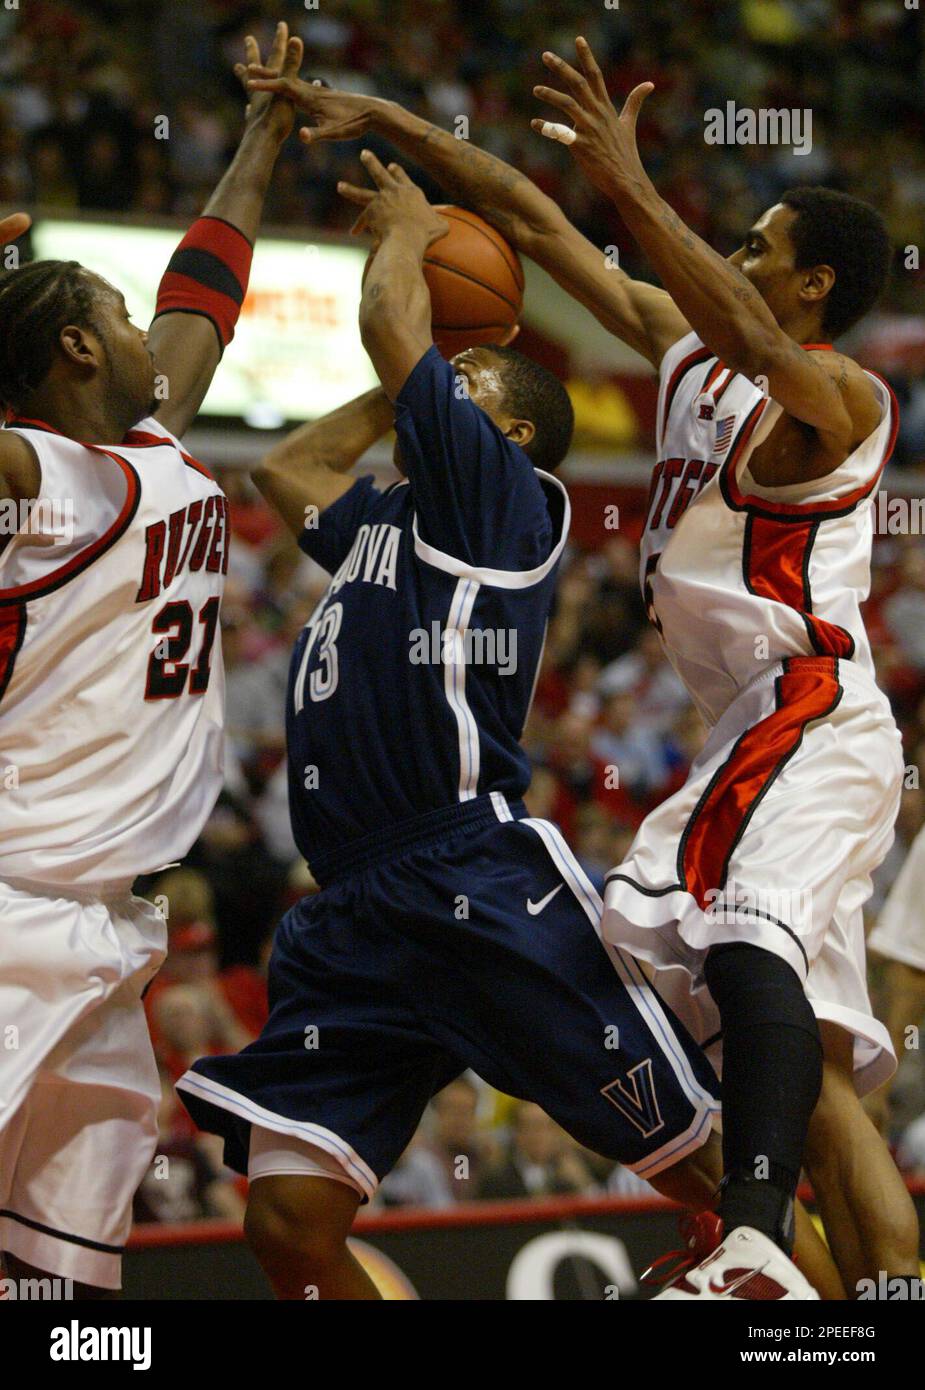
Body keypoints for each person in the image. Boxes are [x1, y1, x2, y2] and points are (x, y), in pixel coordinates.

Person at [244, 33, 919, 1299]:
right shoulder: (684, 350)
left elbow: (748, 335)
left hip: (809, 703)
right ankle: (875, 1301)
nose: (736, 255)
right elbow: (530, 219)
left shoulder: (840, 396)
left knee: (737, 942)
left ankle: (755, 1241)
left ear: (813, 283)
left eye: (759, 245)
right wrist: (388, 114)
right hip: (742, 729)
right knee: (809, 1058)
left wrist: (633, 179)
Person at [176, 147, 736, 1301]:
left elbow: (394, 326)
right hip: (352, 908)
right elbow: (288, 467)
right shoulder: (395, 519)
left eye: (468, 381)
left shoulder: (498, 497)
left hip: (467, 872)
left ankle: (841, 1297)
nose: (447, 383)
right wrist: (408, 383)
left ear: (512, 436)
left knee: (709, 1165)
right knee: (287, 1220)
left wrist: (402, 230)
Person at [0, 22, 302, 1296]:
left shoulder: (153, 442)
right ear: (73, 347)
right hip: (15, 906)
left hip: (116, 932)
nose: (145, 329)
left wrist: (266, 131)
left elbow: (203, 296)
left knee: (70, 1277)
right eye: (114, 315)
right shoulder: (42, 481)